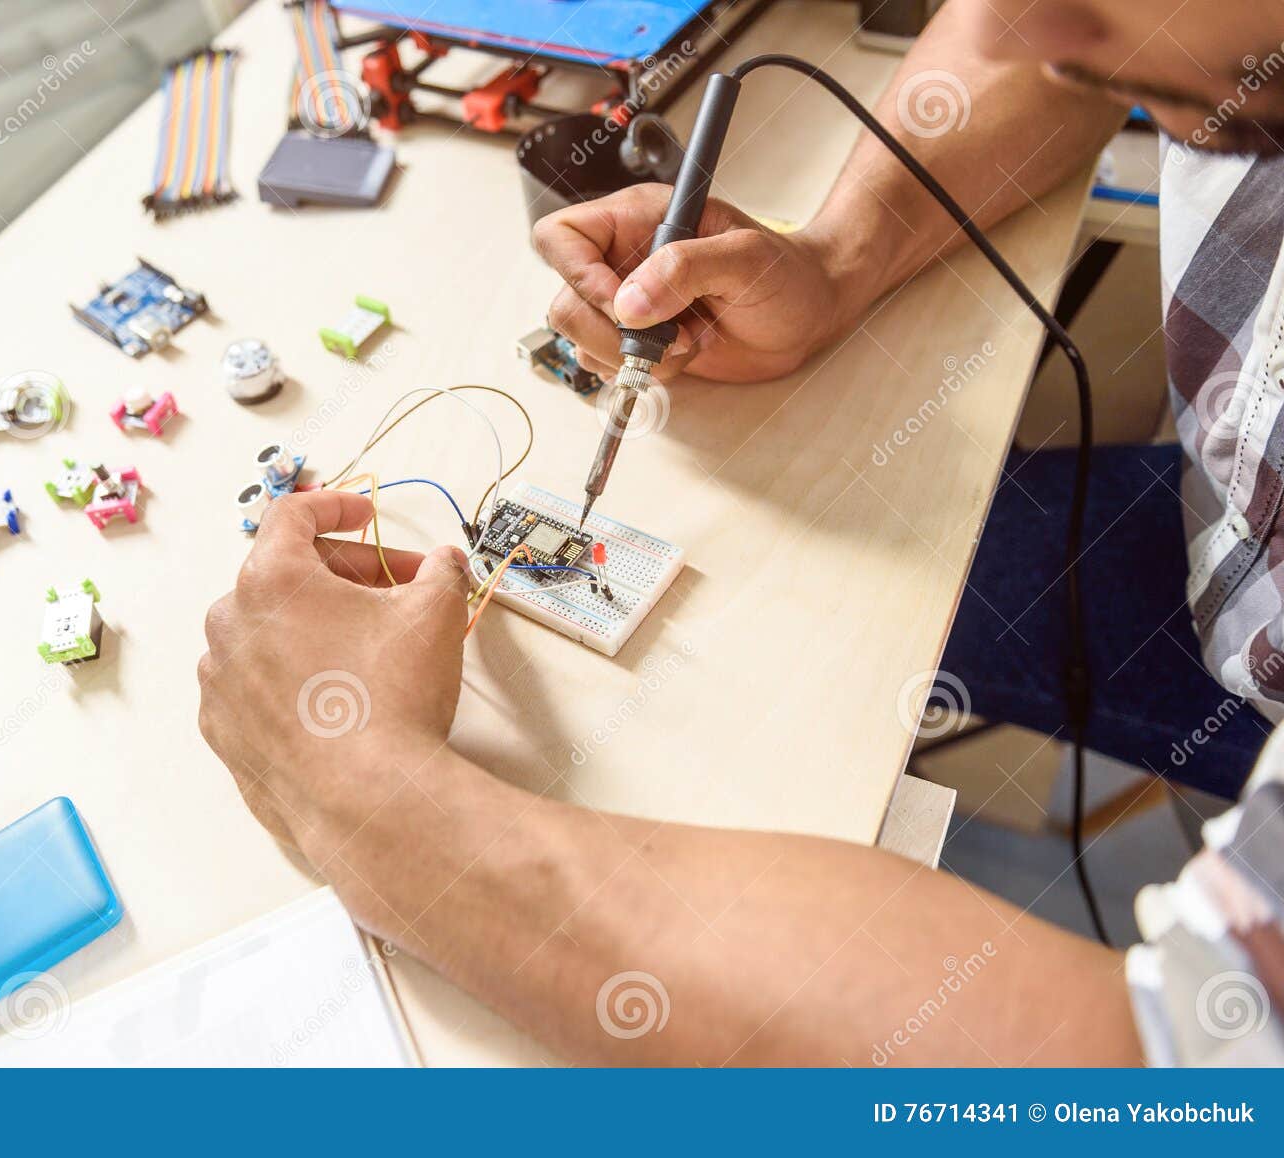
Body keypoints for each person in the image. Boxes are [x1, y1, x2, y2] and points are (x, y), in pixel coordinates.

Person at [198, 0, 1284, 1065]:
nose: (993, 29)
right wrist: (840, 256)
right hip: (1237, 529)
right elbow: (1049, 48)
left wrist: (364, 801)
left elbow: (1166, 1069)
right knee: (926, 558)